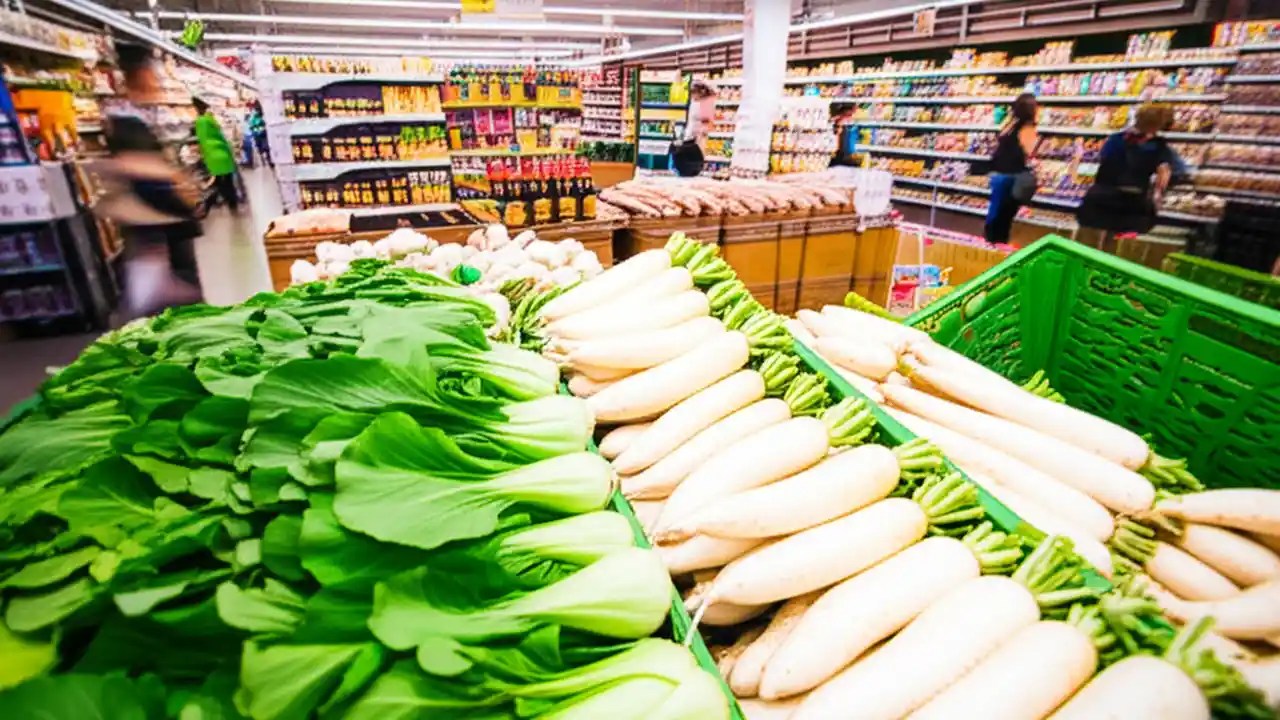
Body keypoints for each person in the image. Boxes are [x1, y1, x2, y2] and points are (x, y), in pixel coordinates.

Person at [97, 43, 203, 311]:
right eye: (153, 73)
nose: (157, 80)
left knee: (175, 293)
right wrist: (182, 191)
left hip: (161, 223)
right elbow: (145, 173)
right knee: (174, 302)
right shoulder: (126, 122)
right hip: (157, 224)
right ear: (140, 75)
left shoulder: (136, 117)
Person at [1076, 103, 1180, 251]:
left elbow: (1103, 161)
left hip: (1099, 202)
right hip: (1130, 206)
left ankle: (1083, 270)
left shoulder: (1115, 139)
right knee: (1115, 250)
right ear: (1157, 125)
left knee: (1086, 248)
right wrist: (1157, 195)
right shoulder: (1158, 147)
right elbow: (1163, 177)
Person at [985, 93, 1039, 244]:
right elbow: (1030, 152)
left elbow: (1000, 138)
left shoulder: (1010, 125)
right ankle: (998, 246)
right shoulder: (1028, 128)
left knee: (994, 214)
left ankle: (988, 244)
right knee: (1005, 217)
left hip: (997, 174)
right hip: (1012, 177)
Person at [191, 97, 240, 212]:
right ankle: (232, 205)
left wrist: (201, 153)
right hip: (223, 153)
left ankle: (208, 204)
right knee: (227, 182)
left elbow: (202, 140)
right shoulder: (210, 119)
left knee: (218, 183)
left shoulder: (200, 122)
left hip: (213, 155)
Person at [672, 80, 717, 177]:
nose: (692, 95)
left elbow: (706, 120)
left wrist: (701, 133)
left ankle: (695, 169)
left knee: (696, 154)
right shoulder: (694, 102)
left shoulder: (706, 103)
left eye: (693, 93)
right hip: (691, 133)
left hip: (698, 135)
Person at [248, 101, 271, 168]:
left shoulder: (256, 115)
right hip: (260, 133)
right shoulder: (256, 116)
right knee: (264, 147)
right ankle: (265, 158)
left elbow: (252, 125)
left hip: (260, 133)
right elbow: (252, 125)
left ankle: (265, 158)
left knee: (263, 147)